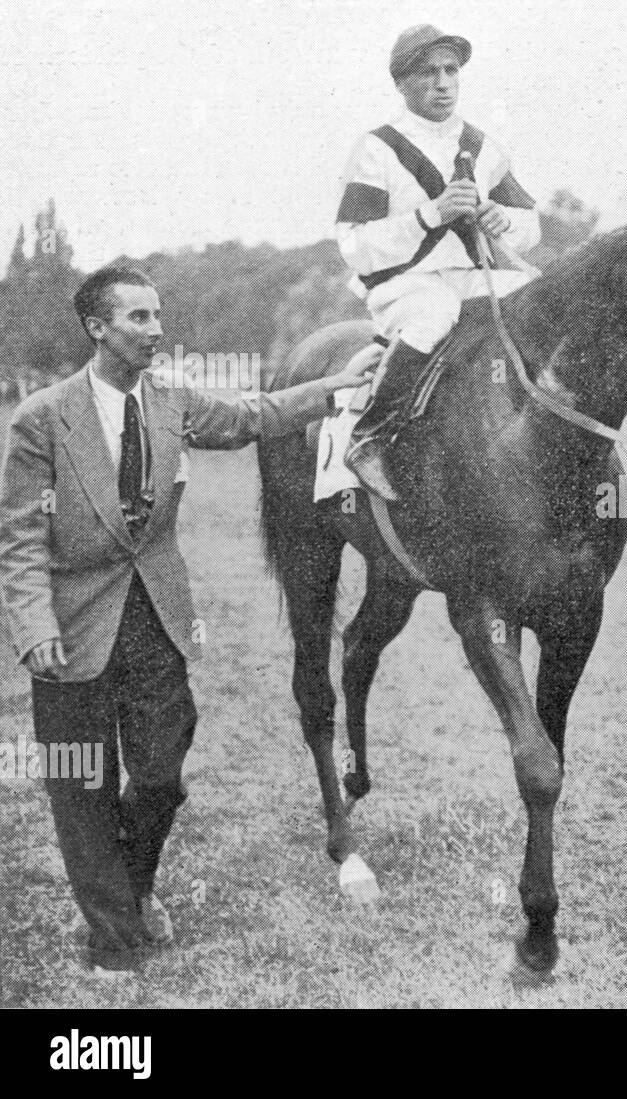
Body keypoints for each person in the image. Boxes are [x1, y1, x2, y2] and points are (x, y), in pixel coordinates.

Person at [0, 266, 372, 977]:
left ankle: (134, 885)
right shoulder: (42, 417)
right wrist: (32, 622)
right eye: (138, 317)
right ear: (97, 328)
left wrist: (336, 386)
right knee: (81, 786)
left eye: (158, 315)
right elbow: (19, 536)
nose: (156, 330)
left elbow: (253, 416)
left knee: (162, 775)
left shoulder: (171, 399)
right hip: (71, 623)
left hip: (156, 616)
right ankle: (113, 939)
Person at [337, 23, 541, 501]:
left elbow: (532, 225)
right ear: (402, 83)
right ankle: (371, 435)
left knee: (541, 305)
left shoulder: (484, 147)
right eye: (428, 73)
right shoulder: (376, 148)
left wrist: (500, 219)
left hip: (474, 278)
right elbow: (354, 243)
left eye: (451, 71)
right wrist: (431, 214)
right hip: (404, 286)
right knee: (436, 313)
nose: (443, 82)